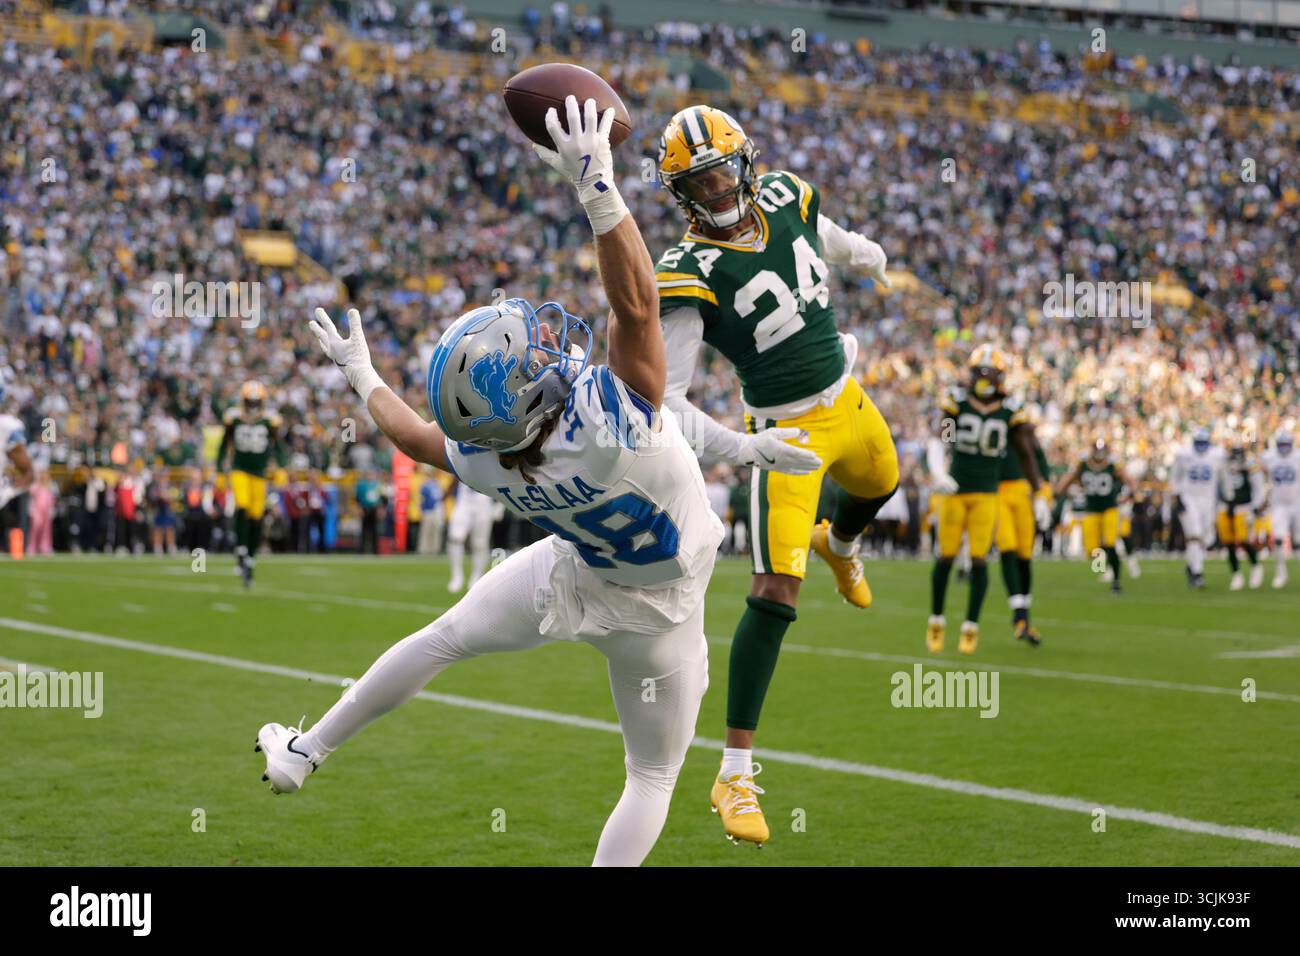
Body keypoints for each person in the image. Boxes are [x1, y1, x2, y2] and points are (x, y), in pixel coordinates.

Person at [256, 96, 724, 866]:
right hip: (662, 610)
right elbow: (636, 303)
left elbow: (411, 433)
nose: (546, 347)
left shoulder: (481, 454)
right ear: (528, 391)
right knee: (651, 776)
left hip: (577, 574)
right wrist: (596, 184)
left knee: (443, 639)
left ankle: (306, 751)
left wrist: (361, 373)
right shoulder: (611, 421)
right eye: (531, 354)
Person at [653, 105, 900, 845]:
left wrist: (868, 255)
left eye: (727, 168)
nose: (722, 187)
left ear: (746, 162)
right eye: (703, 179)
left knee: (881, 484)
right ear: (682, 190)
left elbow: (827, 240)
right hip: (784, 434)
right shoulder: (688, 270)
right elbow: (666, 402)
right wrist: (745, 449)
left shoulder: (787, 195)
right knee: (773, 591)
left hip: (849, 400)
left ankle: (843, 547)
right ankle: (734, 773)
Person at [926, 346, 1050, 654]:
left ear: (999, 377)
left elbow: (1025, 451)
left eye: (988, 373)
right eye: (978, 372)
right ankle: (937, 619)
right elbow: (944, 436)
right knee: (946, 556)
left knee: (980, 559)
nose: (982, 379)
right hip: (956, 490)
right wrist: (939, 469)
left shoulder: (1010, 409)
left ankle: (970, 626)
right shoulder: (957, 402)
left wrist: (1040, 493)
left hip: (987, 493)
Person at [218, 380, 284, 586]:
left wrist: (281, 466)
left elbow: (278, 446)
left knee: (257, 514)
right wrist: (220, 470)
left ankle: (250, 556)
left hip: (260, 473)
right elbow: (224, 444)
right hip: (239, 469)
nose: (253, 406)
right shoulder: (234, 418)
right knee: (243, 505)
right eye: (250, 402)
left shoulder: (269, 420)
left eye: (257, 402)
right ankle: (241, 549)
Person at [1054, 439, 1134, 596]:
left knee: (1110, 543)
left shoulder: (1113, 464)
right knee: (1091, 550)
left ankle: (1116, 581)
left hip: (1110, 509)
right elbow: (1069, 479)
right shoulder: (1083, 463)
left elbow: (1128, 480)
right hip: (1091, 510)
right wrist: (1058, 491)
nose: (1099, 453)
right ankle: (1105, 567)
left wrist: (1130, 495)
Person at [1171, 426, 1224, 589]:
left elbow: (1223, 477)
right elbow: (1174, 477)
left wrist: (1225, 497)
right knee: (1194, 534)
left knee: (1207, 539)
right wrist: (1178, 497)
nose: (1201, 445)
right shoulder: (1183, 455)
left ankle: (1191, 565)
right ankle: (1197, 573)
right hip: (1189, 499)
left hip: (1208, 501)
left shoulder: (1217, 455)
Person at [1261, 430, 1298, 588]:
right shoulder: (1269, 457)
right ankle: (1281, 573)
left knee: (1298, 542)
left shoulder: (1297, 456)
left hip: (1297, 503)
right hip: (1278, 504)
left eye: (1286, 444)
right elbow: (1261, 474)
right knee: (1277, 539)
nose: (1283, 447)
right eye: (1281, 444)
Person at [446, 480, 494, 591]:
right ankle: (456, 575)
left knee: (480, 543)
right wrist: (446, 493)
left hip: (484, 500)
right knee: (455, 537)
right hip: (465, 500)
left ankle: (477, 576)